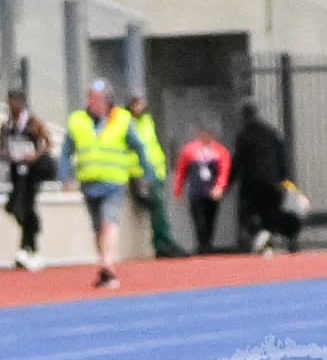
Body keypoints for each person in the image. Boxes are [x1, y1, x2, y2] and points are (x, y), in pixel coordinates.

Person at [60, 80, 160, 289]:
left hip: (114, 181)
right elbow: (66, 152)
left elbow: (140, 147)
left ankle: (108, 263)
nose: (94, 102)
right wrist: (66, 177)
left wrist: (149, 174)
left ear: (108, 100)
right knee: (97, 227)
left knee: (109, 221)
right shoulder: (78, 121)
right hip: (89, 181)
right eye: (92, 98)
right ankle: (107, 268)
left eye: (99, 98)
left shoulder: (122, 120)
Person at [233, 102, 301, 254]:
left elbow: (238, 161)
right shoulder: (271, 132)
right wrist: (284, 178)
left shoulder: (244, 135)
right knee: (270, 213)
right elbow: (282, 156)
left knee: (245, 214)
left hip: (252, 185)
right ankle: (268, 243)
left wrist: (228, 183)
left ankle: (261, 237)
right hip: (273, 183)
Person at [125, 91, 186, 258]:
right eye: (137, 103)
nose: (140, 106)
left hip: (154, 172)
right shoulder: (125, 122)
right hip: (140, 174)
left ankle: (164, 241)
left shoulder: (146, 121)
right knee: (158, 206)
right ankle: (162, 242)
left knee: (161, 206)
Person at [0, 92, 53, 269]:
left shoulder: (33, 123)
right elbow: (2, 146)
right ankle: (30, 242)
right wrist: (8, 153)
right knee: (15, 207)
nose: (13, 105)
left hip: (32, 171)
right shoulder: (7, 125)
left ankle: (27, 248)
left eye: (16, 102)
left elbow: (48, 143)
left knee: (27, 205)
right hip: (17, 170)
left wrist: (35, 155)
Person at [173, 125, 232, 255]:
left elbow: (224, 170)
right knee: (199, 219)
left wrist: (220, 187)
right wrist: (178, 190)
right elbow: (182, 171)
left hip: (212, 191)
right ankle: (202, 245)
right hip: (196, 191)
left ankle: (207, 244)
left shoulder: (220, 151)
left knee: (210, 219)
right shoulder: (190, 150)